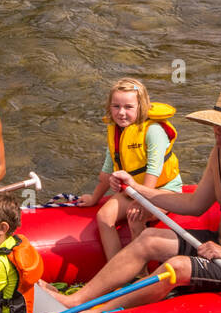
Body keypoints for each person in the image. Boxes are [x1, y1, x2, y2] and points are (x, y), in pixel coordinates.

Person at [43, 81, 221, 312]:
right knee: (149, 238)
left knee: (176, 267)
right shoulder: (220, 153)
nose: (217, 130)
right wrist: (137, 189)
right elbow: (195, 204)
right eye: (217, 122)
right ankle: (74, 301)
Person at [76, 77, 184, 261]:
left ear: (141, 107)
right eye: (116, 106)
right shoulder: (116, 132)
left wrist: (142, 201)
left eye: (128, 107)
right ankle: (115, 269)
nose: (121, 113)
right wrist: (94, 198)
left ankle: (139, 272)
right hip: (133, 190)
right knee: (103, 216)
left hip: (162, 191)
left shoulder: (153, 131)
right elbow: (106, 172)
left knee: (136, 217)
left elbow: (154, 170)